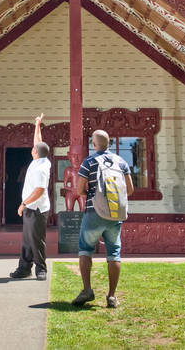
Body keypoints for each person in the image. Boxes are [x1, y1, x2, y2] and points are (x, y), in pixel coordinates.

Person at [72, 129, 134, 309]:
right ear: (110, 144)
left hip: (93, 213)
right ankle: (112, 296)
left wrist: (92, 195)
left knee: (85, 249)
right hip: (115, 215)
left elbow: (79, 190)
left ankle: (87, 290)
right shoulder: (121, 162)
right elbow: (129, 191)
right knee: (114, 253)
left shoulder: (88, 162)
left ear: (93, 144)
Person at [10, 113, 51, 281]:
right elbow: (38, 142)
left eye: (34, 148)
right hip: (30, 207)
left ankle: (41, 269)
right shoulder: (39, 159)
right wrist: (37, 124)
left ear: (35, 152)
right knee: (27, 240)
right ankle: (24, 268)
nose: (32, 148)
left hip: (36, 208)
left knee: (37, 241)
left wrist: (23, 204)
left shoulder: (41, 167)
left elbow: (39, 190)